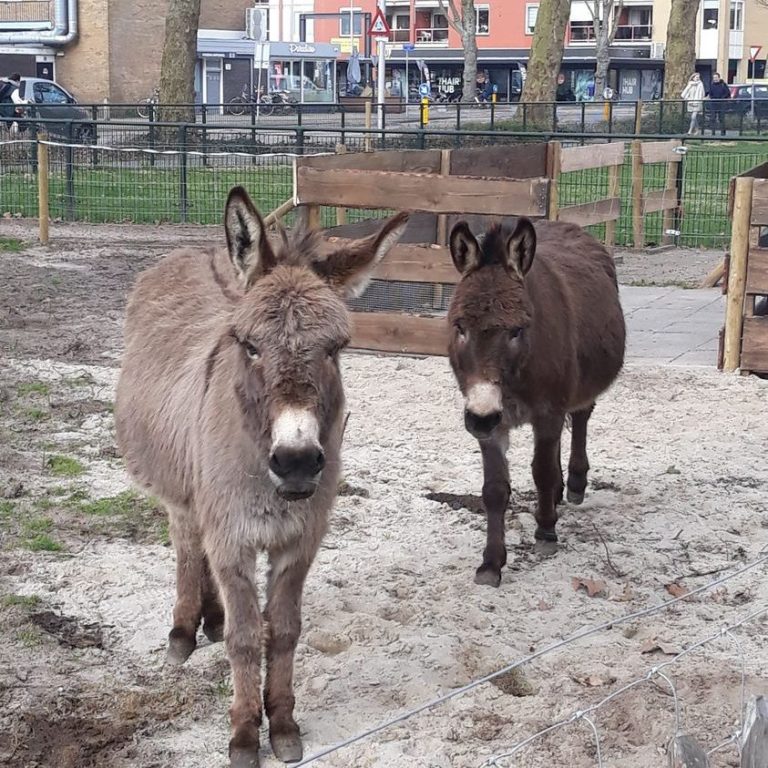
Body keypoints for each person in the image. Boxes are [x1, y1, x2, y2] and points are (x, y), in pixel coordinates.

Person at [707, 72, 730, 136]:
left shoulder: (723, 85)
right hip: (714, 104)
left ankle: (723, 133)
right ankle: (713, 133)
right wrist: (712, 98)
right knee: (713, 118)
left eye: (716, 77)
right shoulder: (712, 85)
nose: (715, 79)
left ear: (719, 78)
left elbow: (727, 93)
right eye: (714, 78)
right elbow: (710, 93)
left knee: (721, 118)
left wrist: (722, 98)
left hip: (721, 104)